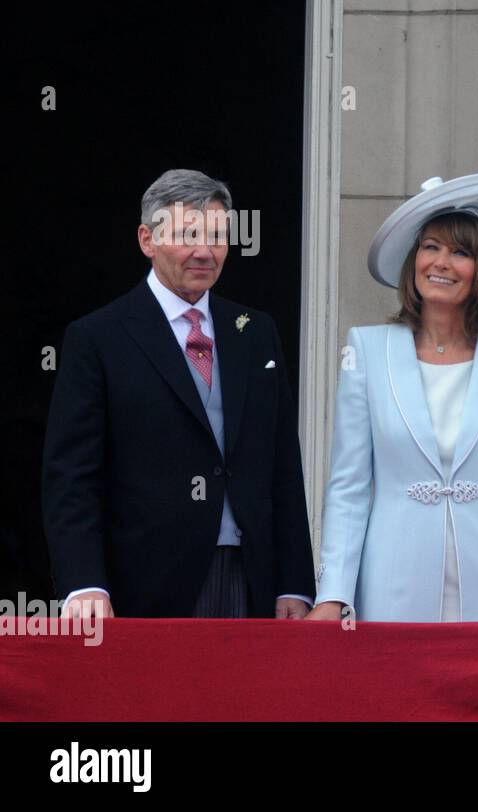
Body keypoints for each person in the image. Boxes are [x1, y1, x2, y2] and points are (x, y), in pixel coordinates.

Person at [42, 169, 315, 618]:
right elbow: (72, 477)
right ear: (147, 240)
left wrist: (296, 584)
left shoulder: (256, 332)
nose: (205, 252)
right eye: (188, 235)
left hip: (252, 582)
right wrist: (83, 583)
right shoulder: (98, 338)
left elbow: (282, 466)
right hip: (142, 585)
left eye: (217, 236)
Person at [307, 174, 478, 623]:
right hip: (390, 584)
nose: (441, 262)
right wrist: (332, 594)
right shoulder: (367, 348)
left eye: (461, 252)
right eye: (431, 247)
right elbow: (348, 487)